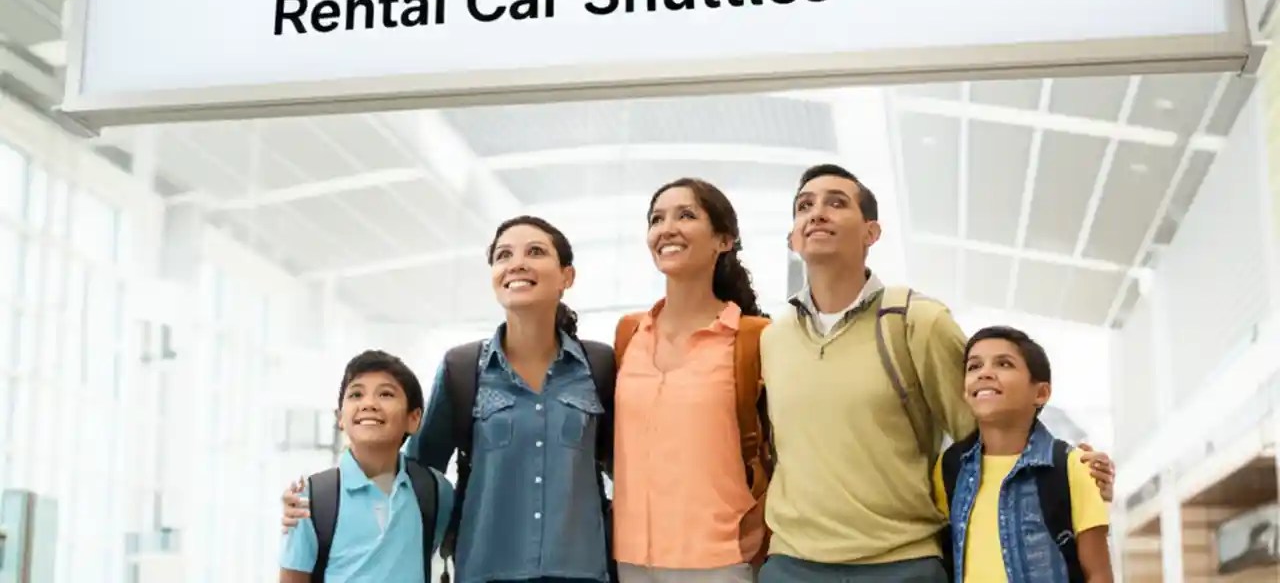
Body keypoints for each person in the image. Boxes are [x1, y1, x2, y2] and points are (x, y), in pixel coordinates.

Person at [758, 164, 1116, 582]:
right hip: (791, 564)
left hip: (901, 565)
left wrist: (1068, 475)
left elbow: (988, 435)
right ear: (793, 238)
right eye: (805, 206)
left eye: (836, 203)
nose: (817, 213)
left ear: (872, 233)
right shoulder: (773, 337)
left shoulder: (917, 321)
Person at [283, 216, 614, 583]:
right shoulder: (463, 368)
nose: (517, 264)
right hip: (486, 573)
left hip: (583, 572)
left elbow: (628, 471)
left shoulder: (598, 365)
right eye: (504, 255)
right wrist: (315, 508)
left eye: (535, 252)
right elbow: (412, 475)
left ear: (567, 276)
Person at [611, 178, 771, 583]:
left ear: (724, 240)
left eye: (685, 215)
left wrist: (763, 518)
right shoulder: (629, 334)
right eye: (656, 219)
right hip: (631, 559)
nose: (667, 229)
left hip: (721, 559)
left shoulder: (754, 337)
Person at [932, 326, 1113, 583]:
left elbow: (1098, 574)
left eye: (1004, 364)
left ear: (1041, 393)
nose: (985, 373)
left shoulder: (1071, 466)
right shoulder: (950, 468)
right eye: (974, 366)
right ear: (965, 392)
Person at [280, 350, 452, 583]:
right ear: (340, 418)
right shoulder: (311, 498)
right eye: (356, 394)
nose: (369, 404)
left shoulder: (435, 490)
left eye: (386, 394)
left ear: (413, 419)